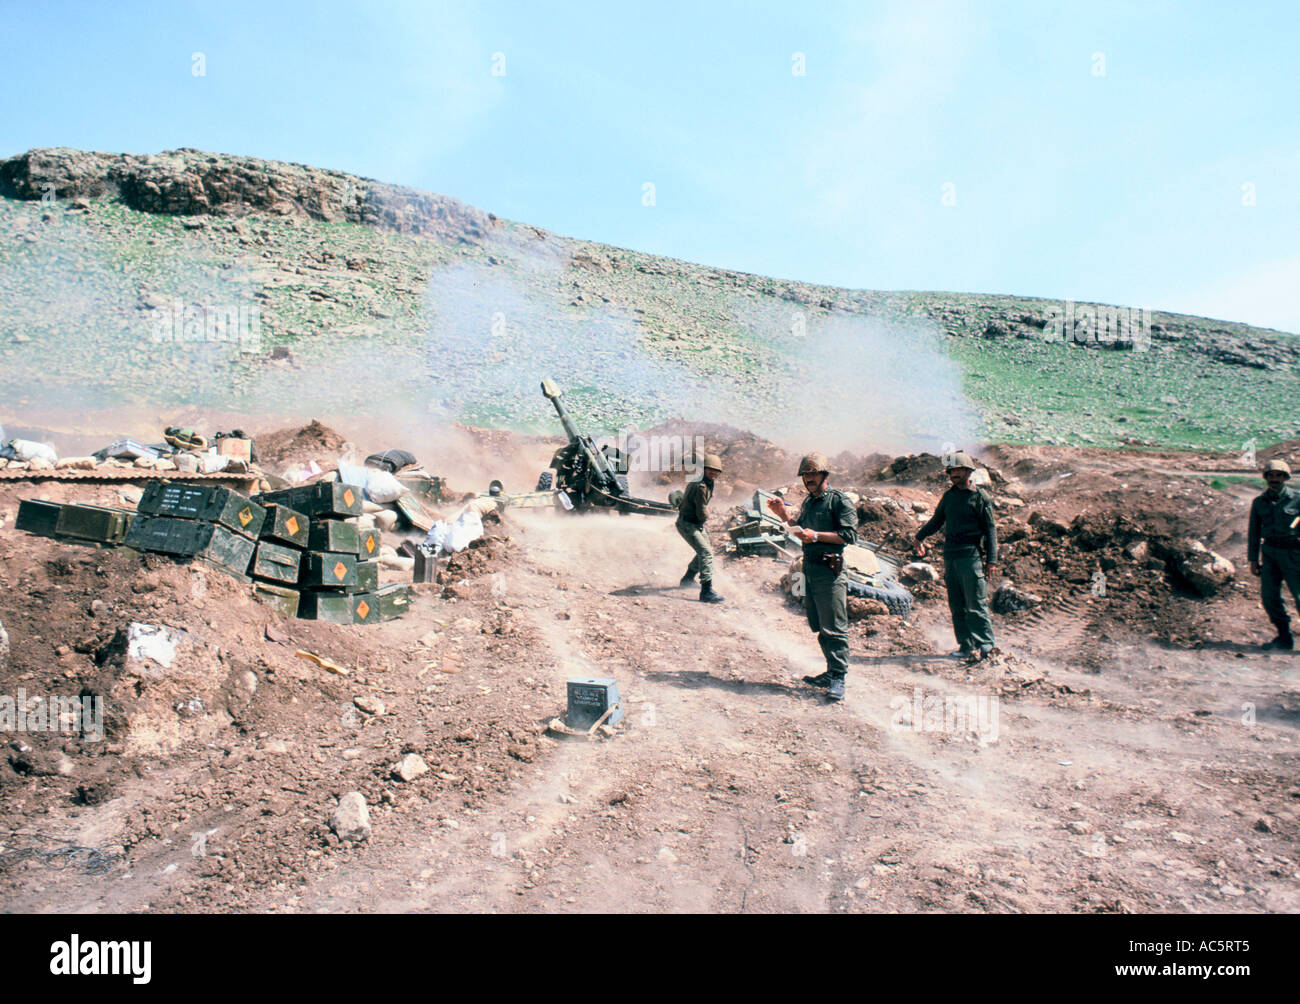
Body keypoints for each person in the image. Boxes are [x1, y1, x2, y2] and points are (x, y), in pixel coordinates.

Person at [767, 453, 858, 702]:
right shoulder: (809, 502)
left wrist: (817, 536)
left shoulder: (839, 502)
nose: (809, 479)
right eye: (806, 475)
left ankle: (839, 676)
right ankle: (830, 672)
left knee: (834, 626)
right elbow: (801, 532)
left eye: (813, 474)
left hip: (830, 570)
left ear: (825, 475)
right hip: (811, 569)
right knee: (819, 624)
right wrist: (782, 515)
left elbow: (849, 535)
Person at [914, 452, 999, 663]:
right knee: (957, 604)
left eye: (958, 471)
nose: (954, 475)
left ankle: (987, 647)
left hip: (971, 558)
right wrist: (919, 537)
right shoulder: (949, 497)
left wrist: (991, 560)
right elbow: (936, 520)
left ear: (969, 472)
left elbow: (990, 531)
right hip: (950, 557)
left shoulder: (980, 498)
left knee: (976, 603)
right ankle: (966, 645)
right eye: (951, 471)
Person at [1247, 459, 1300, 651]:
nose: (1274, 479)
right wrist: (1253, 559)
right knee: (1269, 598)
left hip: (1294, 554)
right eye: (1271, 476)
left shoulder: (1297, 499)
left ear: (1285, 478)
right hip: (1269, 554)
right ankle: (1284, 637)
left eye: (1278, 476)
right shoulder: (1260, 502)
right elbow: (1254, 532)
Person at [677, 453, 725, 603]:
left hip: (693, 523)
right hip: (688, 524)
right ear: (704, 469)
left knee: (704, 550)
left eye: (716, 471)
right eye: (710, 470)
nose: (713, 473)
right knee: (706, 552)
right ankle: (706, 591)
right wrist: (706, 517)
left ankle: (688, 578)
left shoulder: (704, 481)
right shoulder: (701, 486)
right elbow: (701, 509)